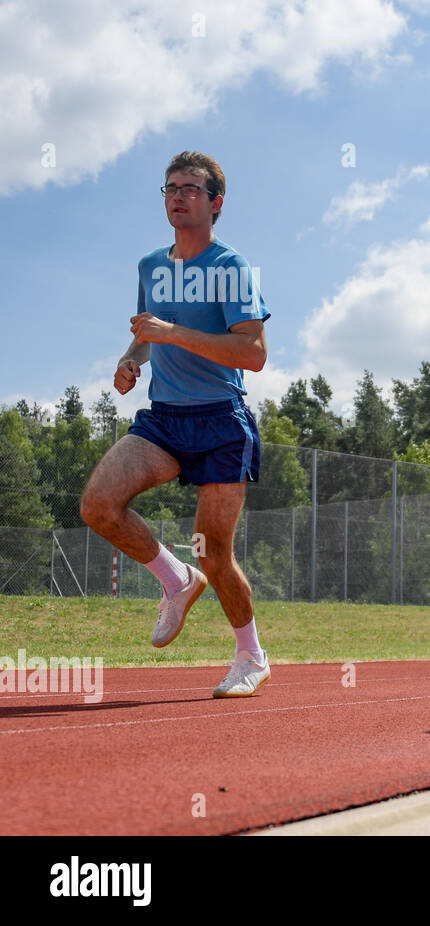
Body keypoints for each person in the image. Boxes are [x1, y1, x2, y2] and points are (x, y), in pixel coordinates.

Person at [79, 151, 271, 698]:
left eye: (190, 188)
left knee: (213, 550)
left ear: (216, 202)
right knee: (98, 505)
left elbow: (252, 353)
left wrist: (170, 333)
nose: (177, 196)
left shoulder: (231, 267)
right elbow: (148, 330)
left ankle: (251, 656)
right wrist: (132, 358)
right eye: (169, 188)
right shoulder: (150, 267)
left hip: (220, 421)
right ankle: (176, 580)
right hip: (164, 419)